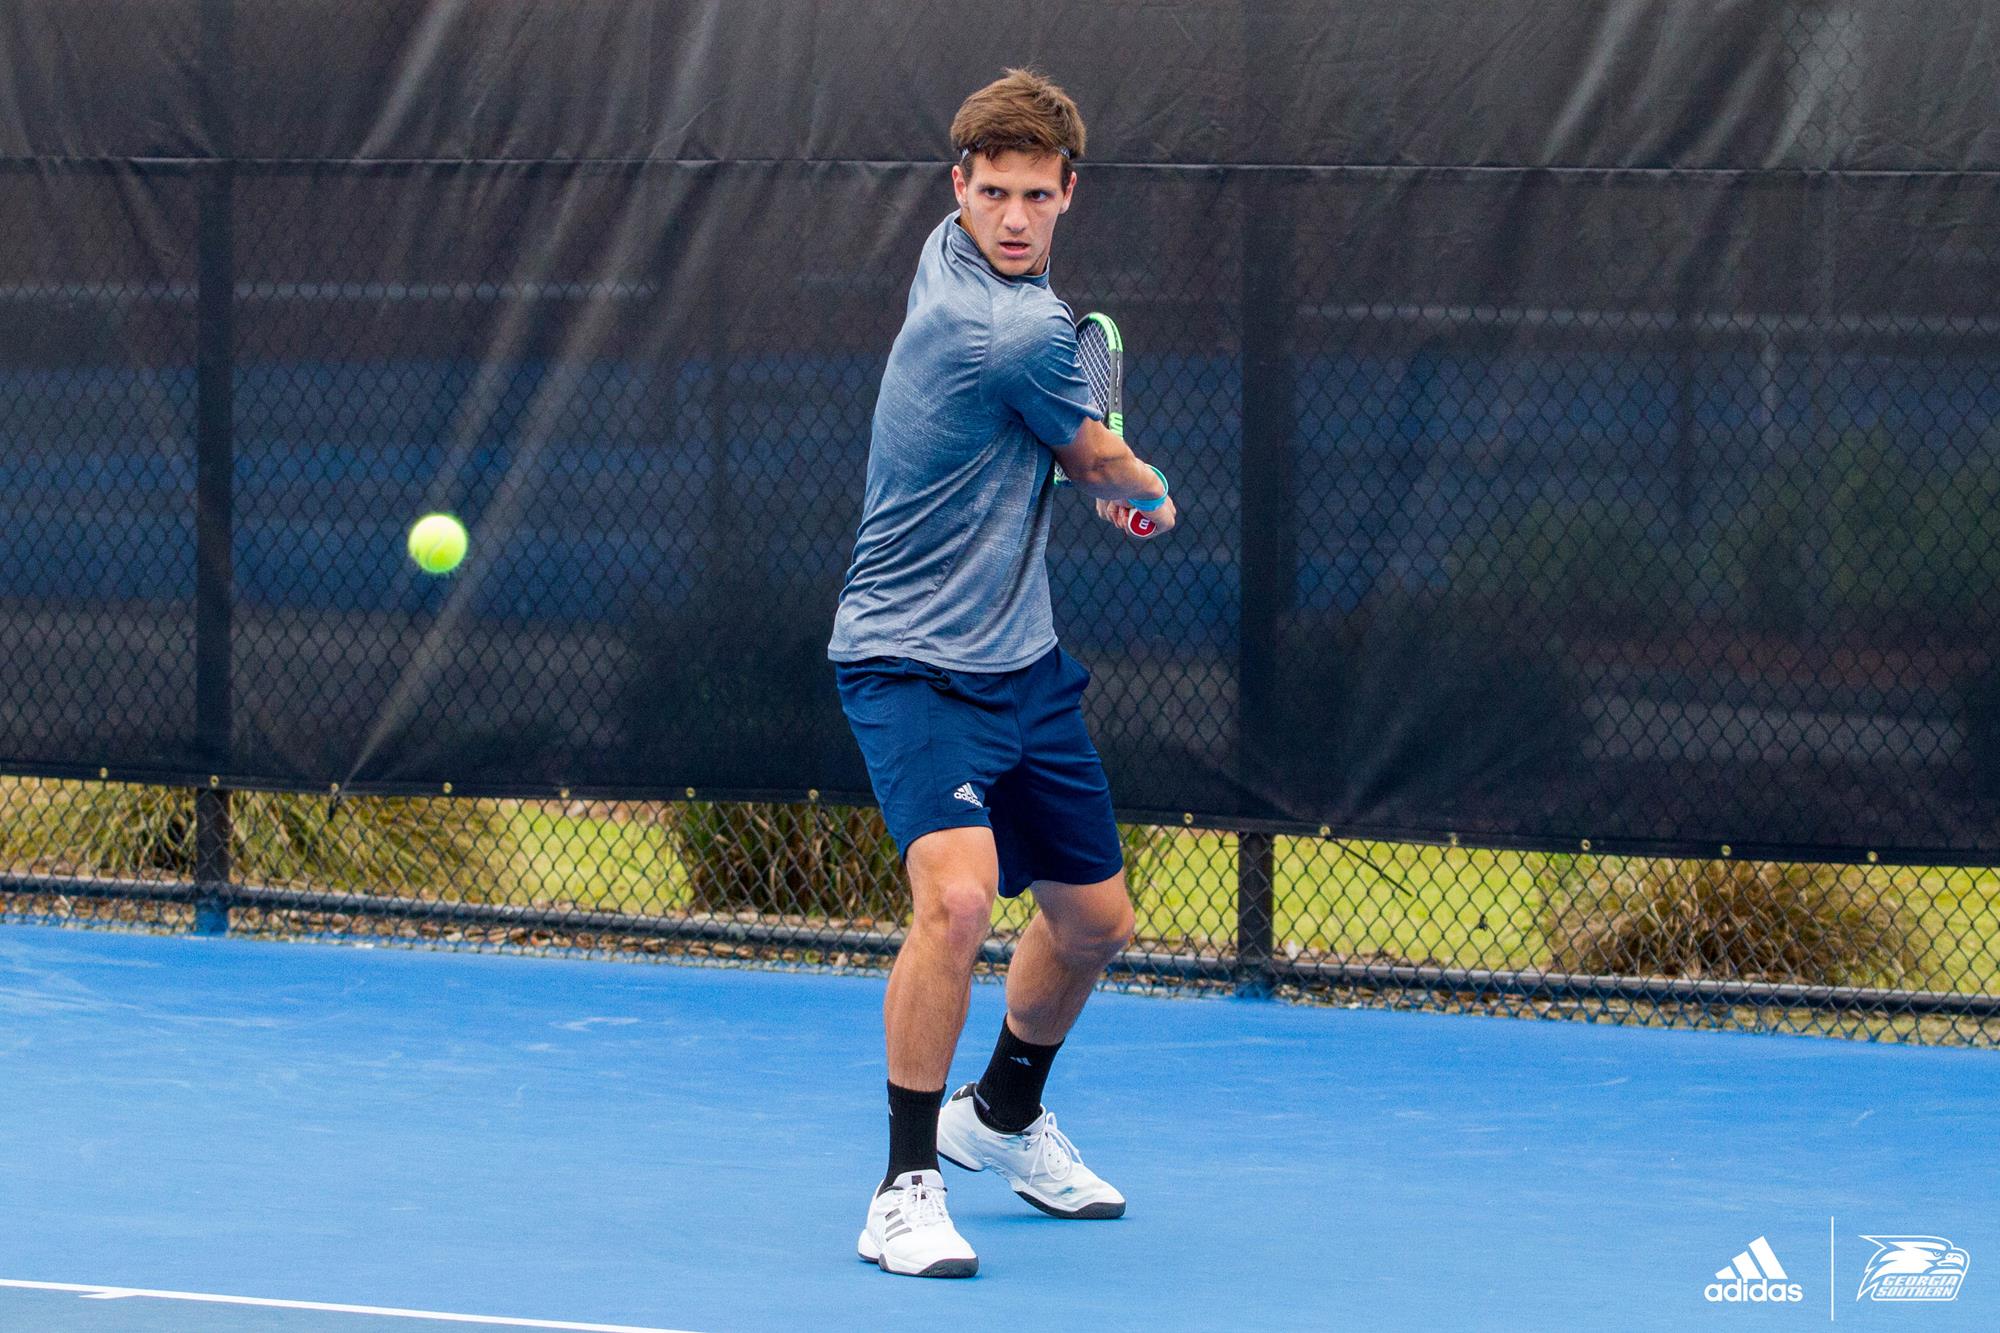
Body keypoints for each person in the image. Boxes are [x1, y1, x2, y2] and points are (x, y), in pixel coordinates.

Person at [827, 68, 1177, 1279]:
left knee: (1092, 922)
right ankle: (903, 1185)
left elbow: (1060, 452)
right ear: (955, 190)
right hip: (908, 661)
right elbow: (1092, 453)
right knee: (960, 901)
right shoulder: (1010, 326)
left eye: (1035, 193)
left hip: (1019, 660)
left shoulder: (957, 258)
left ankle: (1006, 1114)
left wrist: (1092, 474)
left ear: (1067, 190)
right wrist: (1149, 494)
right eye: (991, 195)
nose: (1012, 217)